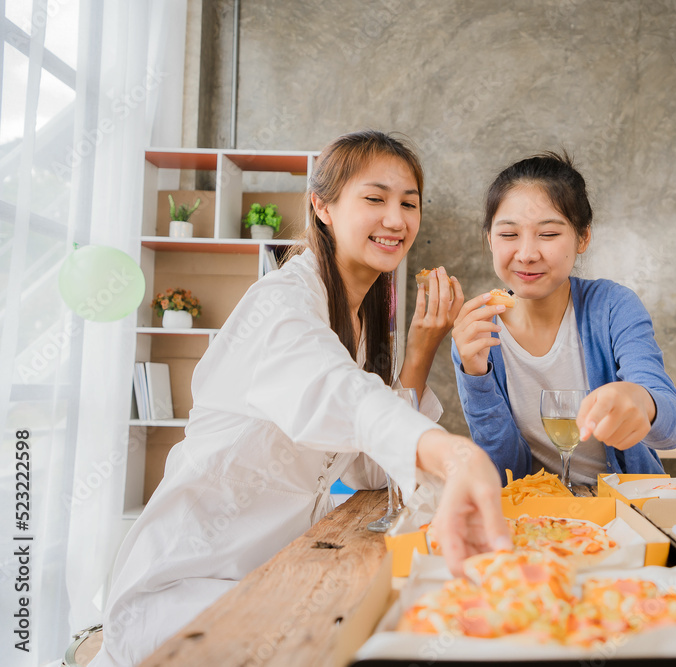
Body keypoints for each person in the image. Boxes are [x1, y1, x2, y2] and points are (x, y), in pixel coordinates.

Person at [92, 131, 511, 666]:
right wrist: (453, 453)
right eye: (375, 198)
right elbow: (339, 393)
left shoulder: (359, 316)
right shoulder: (283, 303)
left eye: (409, 203)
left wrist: (422, 348)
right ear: (322, 205)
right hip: (187, 588)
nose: (396, 219)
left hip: (272, 571)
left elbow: (372, 473)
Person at [451, 152, 676, 485]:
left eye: (548, 234)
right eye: (508, 235)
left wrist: (642, 400)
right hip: (539, 517)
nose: (527, 254)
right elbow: (506, 471)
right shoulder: (477, 331)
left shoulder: (612, 306)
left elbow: (671, 431)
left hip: (632, 509)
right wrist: (476, 376)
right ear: (489, 238)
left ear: (583, 237)